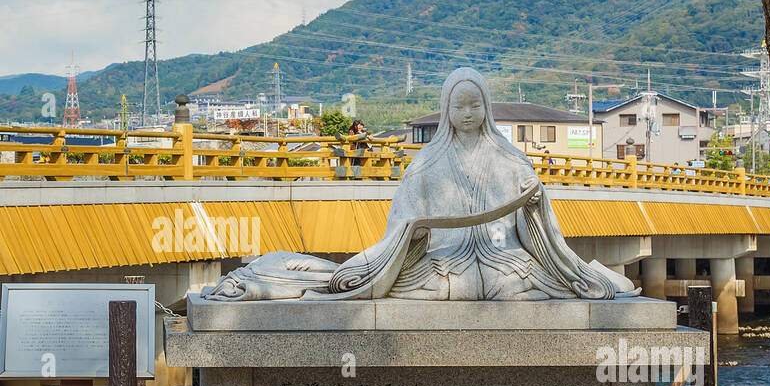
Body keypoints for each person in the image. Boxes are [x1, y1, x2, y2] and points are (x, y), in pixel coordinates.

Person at [206, 67, 635, 302]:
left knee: (518, 287)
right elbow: (399, 231)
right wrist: (412, 237)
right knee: (440, 286)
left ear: (485, 107)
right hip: (444, 263)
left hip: (506, 265)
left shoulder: (512, 160)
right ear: (446, 109)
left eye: (475, 106)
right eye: (458, 106)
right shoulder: (426, 165)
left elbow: (535, 234)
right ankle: (294, 275)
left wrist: (536, 208)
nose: (467, 114)